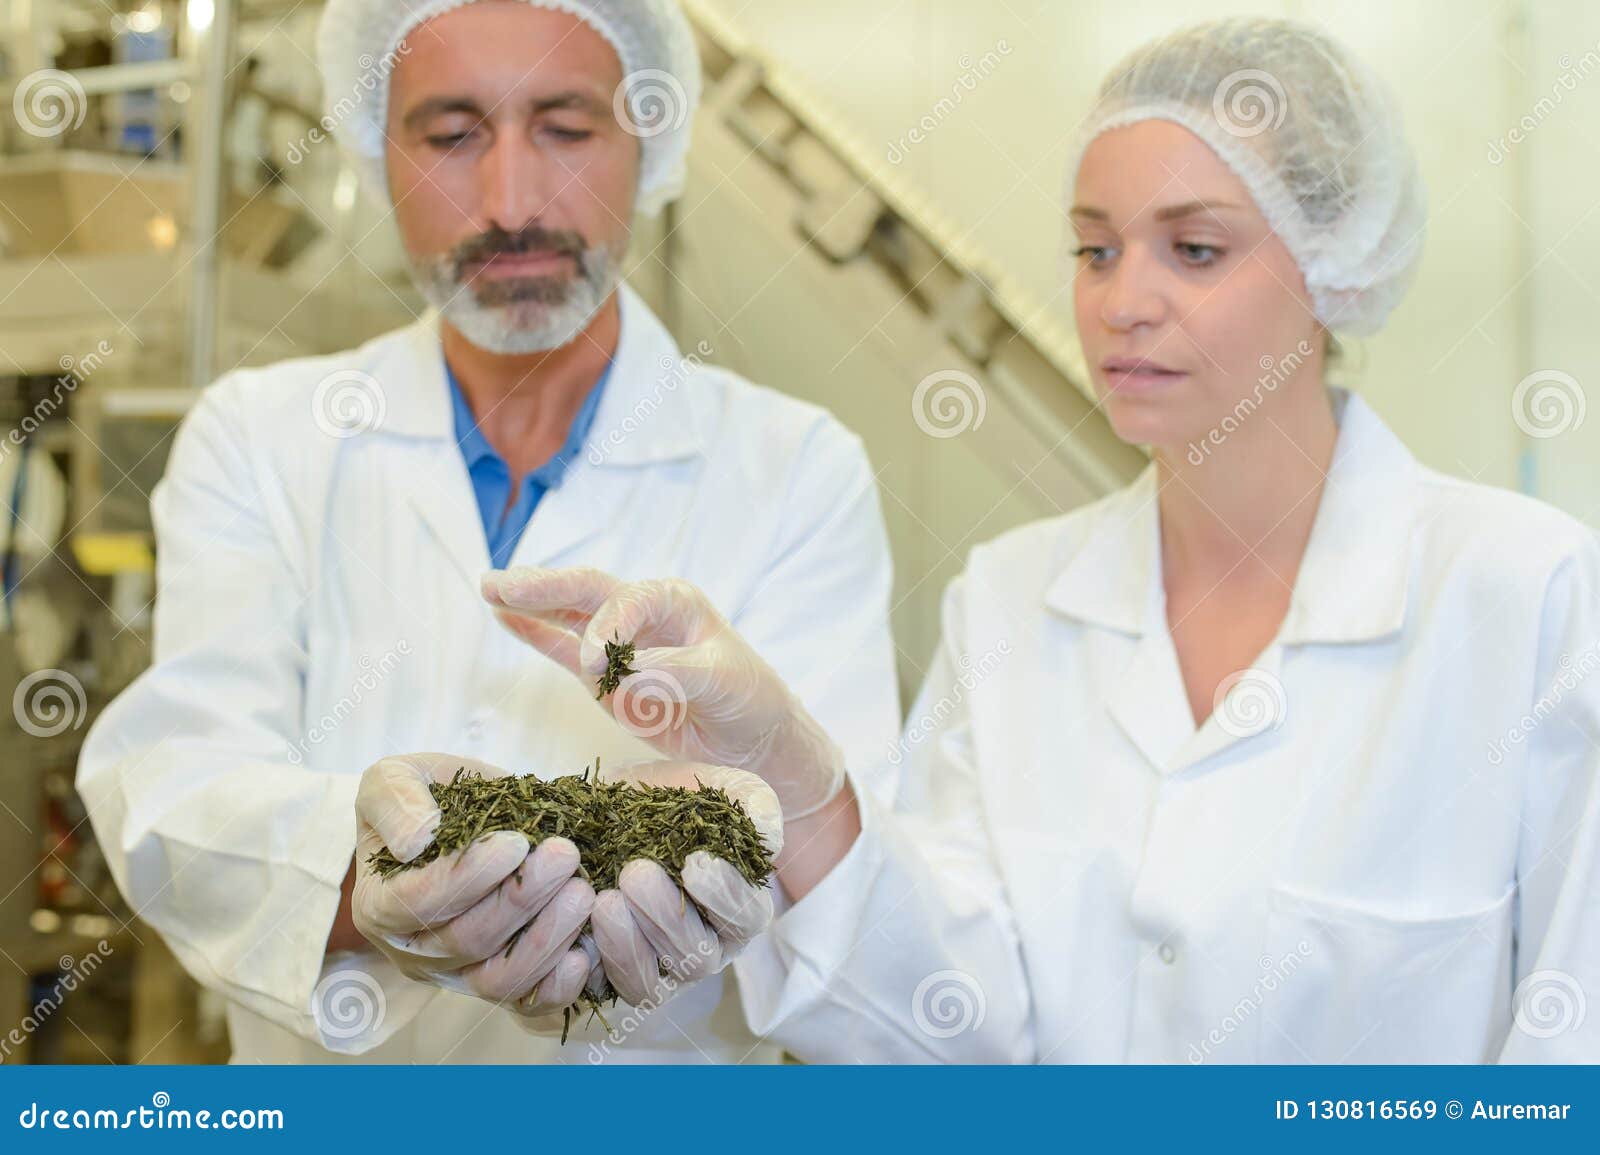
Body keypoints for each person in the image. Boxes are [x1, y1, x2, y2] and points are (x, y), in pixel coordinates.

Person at [487, 18, 1600, 1062]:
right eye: (1094, 251)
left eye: (1195, 250)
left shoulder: (1526, 597)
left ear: (1334, 267)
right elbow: (948, 1029)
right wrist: (792, 771)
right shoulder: (1010, 598)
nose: (1123, 301)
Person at [75, 0, 898, 1063]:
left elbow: (857, 911)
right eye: (451, 135)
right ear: (379, 152)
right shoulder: (258, 436)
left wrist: (756, 822)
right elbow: (174, 794)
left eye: (565, 127)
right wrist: (368, 879)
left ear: (648, 138)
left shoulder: (797, 469)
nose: (511, 201)